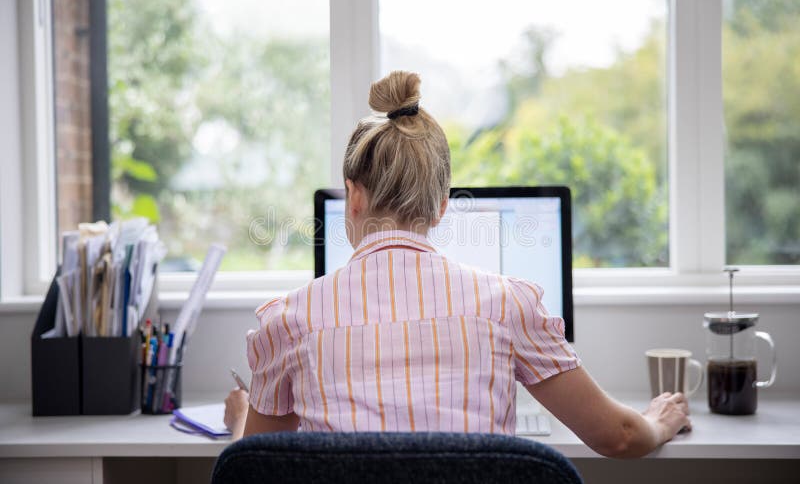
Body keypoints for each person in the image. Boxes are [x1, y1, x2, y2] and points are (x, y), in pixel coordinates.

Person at [223, 71, 691, 457]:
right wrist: (659, 421)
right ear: (442, 206)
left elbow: (256, 465)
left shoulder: (289, 322)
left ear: (354, 196)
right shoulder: (508, 306)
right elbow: (620, 437)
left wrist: (241, 416)